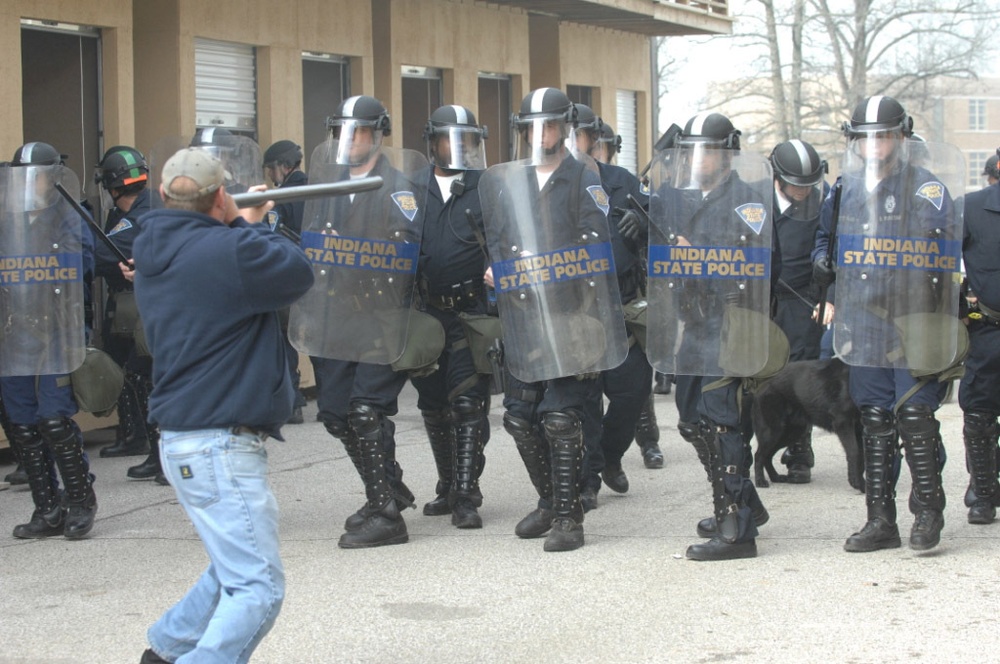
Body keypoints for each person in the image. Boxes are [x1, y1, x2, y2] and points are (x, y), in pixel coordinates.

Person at [133, 146, 313, 663]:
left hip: (187, 439)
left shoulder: (153, 248)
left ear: (165, 196)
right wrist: (249, 222)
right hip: (218, 444)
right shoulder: (229, 251)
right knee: (258, 588)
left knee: (231, 564)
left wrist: (234, 221)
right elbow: (296, 273)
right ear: (219, 199)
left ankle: (167, 649)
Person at [813, 95, 959, 553]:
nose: (874, 144)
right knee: (873, 418)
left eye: (883, 135)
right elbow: (826, 238)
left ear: (901, 136)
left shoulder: (926, 188)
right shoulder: (844, 189)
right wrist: (823, 262)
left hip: (912, 320)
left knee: (914, 413)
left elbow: (942, 254)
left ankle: (928, 511)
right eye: (864, 137)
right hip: (864, 321)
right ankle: (881, 521)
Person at [483, 87, 622, 552]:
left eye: (550, 125)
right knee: (520, 417)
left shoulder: (584, 179)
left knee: (562, 417)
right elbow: (501, 236)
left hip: (571, 314)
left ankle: (569, 516)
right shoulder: (512, 180)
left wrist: (552, 271)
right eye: (532, 126)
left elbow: (598, 250)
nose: (541, 134)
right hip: (524, 316)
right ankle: (548, 501)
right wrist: (495, 266)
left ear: (565, 128)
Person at [649, 113, 776, 560]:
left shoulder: (749, 200)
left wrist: (698, 257)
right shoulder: (679, 199)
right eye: (691, 151)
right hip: (694, 323)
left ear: (727, 153)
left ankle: (737, 531)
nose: (697, 159)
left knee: (724, 421)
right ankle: (738, 503)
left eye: (707, 150)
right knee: (690, 419)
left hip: (730, 323)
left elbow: (756, 269)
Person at [301, 95, 425, 549]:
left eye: (358, 132)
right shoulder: (323, 186)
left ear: (378, 135)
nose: (348, 141)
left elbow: (405, 246)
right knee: (335, 414)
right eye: (341, 132)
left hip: (379, 318)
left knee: (366, 410)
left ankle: (387, 514)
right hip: (333, 318)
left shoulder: (398, 188)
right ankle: (387, 488)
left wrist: (351, 246)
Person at [0, 141, 97, 539]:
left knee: (54, 419)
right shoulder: (6, 219)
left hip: (57, 330)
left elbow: (84, 264)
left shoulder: (70, 215)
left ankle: (79, 500)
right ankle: (48, 507)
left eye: (35, 176)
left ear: (52, 177)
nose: (29, 184)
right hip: (14, 335)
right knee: (22, 424)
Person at [411, 105, 493, 528]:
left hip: (471, 313)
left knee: (468, 402)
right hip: (425, 313)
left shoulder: (487, 187)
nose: (459, 147)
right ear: (433, 142)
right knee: (433, 404)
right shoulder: (411, 188)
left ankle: (467, 493)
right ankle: (446, 484)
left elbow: (510, 237)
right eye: (450, 139)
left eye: (467, 140)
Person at [571, 104, 654, 510]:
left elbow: (661, 237)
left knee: (633, 389)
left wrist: (643, 227)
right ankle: (587, 480)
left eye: (579, 134)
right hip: (576, 306)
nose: (572, 142)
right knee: (584, 397)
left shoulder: (623, 182)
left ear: (593, 139)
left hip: (621, 302)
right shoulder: (547, 185)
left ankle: (610, 455)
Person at [92, 146, 159, 475]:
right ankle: (137, 437)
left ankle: (160, 455)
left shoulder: (144, 214)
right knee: (131, 375)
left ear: (112, 185)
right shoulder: (120, 215)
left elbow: (105, 254)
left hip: (144, 306)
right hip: (124, 305)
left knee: (148, 376)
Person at [768, 139, 828, 483]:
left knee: (799, 376)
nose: (803, 190)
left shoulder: (820, 205)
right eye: (795, 184)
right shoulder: (755, 201)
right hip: (762, 299)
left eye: (809, 184)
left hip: (802, 299)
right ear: (778, 176)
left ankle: (799, 449)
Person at [957, 147, 1000, 525]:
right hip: (989, 329)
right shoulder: (972, 207)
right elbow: (942, 259)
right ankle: (983, 491)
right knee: (980, 414)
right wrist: (958, 307)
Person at [263, 139, 309, 425]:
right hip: (319, 275)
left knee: (283, 339)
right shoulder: (315, 189)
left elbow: (270, 234)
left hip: (288, 275)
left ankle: (292, 401)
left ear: (283, 166)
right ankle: (329, 399)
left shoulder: (285, 196)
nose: (269, 175)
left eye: (271, 169)